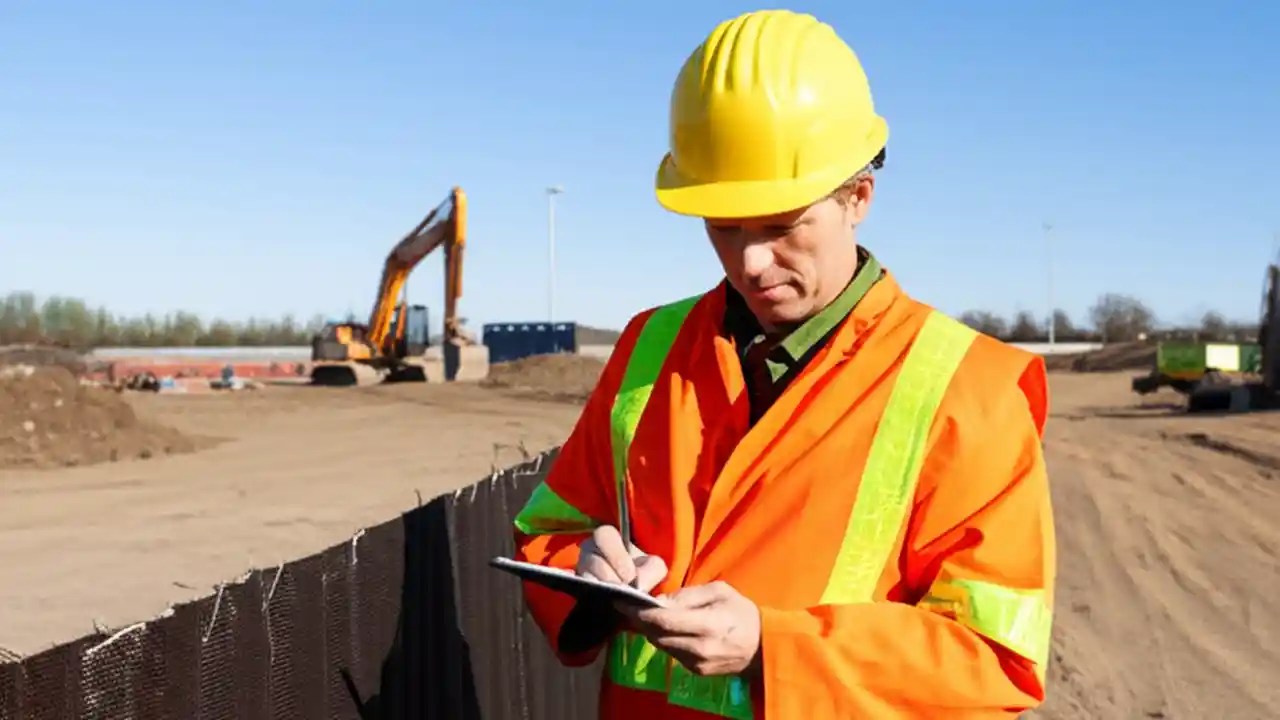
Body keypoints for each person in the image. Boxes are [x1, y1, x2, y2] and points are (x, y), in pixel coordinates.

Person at [511, 8, 1055, 719]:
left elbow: (993, 662)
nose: (750, 262)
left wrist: (777, 645)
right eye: (725, 228)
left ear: (858, 197)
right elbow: (554, 527)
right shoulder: (650, 346)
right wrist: (588, 578)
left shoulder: (971, 390)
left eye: (781, 225)